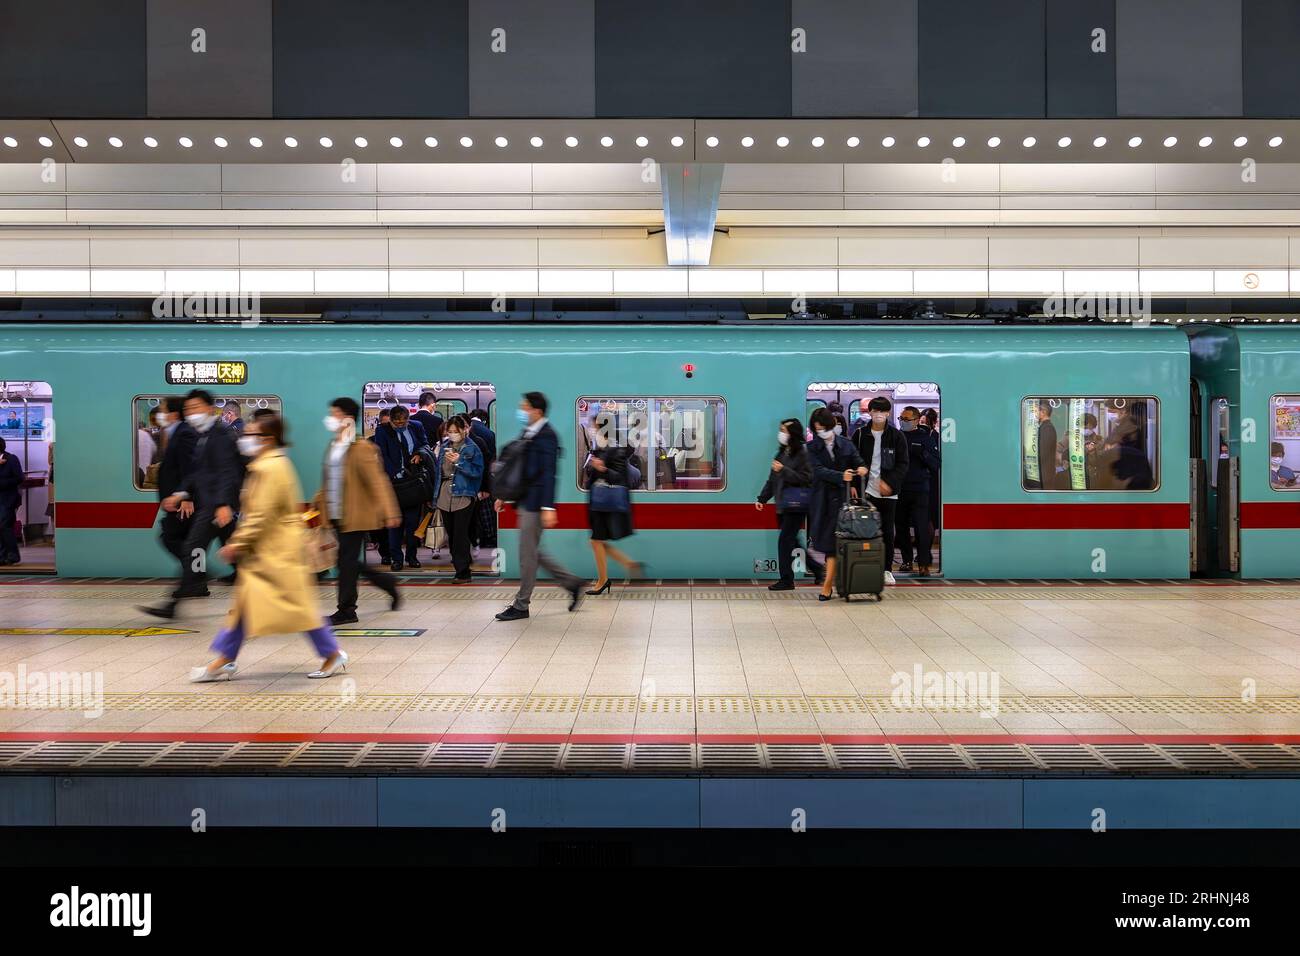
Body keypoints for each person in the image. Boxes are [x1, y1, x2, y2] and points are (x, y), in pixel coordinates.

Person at [190, 414, 347, 682]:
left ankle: (332, 654)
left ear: (268, 439)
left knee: (298, 609)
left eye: (251, 435)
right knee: (246, 608)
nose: (245, 439)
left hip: (275, 553)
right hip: (270, 551)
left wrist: (237, 543)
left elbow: (260, 516)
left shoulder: (269, 469)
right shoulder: (269, 464)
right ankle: (223, 661)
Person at [139, 390, 242, 618]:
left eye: (196, 407)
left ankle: (175, 601)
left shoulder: (221, 435)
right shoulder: (203, 435)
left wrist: (224, 504)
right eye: (188, 409)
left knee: (193, 548)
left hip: (216, 507)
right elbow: (197, 472)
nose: (191, 413)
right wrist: (180, 493)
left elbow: (229, 473)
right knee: (241, 559)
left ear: (209, 408)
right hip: (211, 505)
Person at [495, 392, 586, 621]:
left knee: (527, 556)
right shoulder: (529, 432)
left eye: (524, 407)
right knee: (533, 552)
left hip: (535, 504)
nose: (521, 411)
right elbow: (519, 469)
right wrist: (504, 496)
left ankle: (521, 605)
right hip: (524, 500)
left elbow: (548, 474)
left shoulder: (547, 436)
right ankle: (572, 583)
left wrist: (548, 507)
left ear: (537, 410)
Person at [314, 397, 402, 624]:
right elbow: (330, 481)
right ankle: (386, 583)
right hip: (335, 514)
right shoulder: (333, 446)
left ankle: (347, 610)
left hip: (355, 515)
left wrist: (390, 511)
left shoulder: (361, 448)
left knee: (346, 561)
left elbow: (377, 481)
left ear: (348, 419)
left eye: (335, 414)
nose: (330, 418)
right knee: (348, 560)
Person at [807, 407, 866, 600]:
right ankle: (830, 583)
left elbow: (858, 460)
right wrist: (842, 476)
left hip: (843, 502)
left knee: (837, 544)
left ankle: (831, 584)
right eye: (817, 429)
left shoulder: (846, 444)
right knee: (829, 544)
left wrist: (862, 468)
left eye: (823, 427)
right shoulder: (811, 448)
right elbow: (818, 471)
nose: (820, 431)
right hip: (822, 501)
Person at [851, 396, 909, 584]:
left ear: (888, 413)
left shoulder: (897, 436)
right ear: (869, 412)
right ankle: (863, 566)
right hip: (865, 491)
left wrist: (889, 484)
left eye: (883, 411)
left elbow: (903, 464)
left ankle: (886, 569)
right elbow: (852, 460)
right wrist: (853, 486)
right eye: (875, 411)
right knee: (864, 530)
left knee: (887, 531)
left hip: (889, 493)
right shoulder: (859, 434)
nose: (879, 415)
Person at [583, 413, 642, 594]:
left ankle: (603, 579)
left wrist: (603, 469)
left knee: (595, 541)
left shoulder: (615, 448)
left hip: (605, 501)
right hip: (599, 500)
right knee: (596, 541)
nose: (592, 430)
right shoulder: (601, 447)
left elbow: (619, 477)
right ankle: (627, 564)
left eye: (594, 426)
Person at [755, 417, 814, 591]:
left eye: (784, 430)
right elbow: (772, 479)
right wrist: (762, 498)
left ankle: (787, 580)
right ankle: (818, 570)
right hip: (782, 504)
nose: (781, 433)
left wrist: (784, 470)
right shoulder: (781, 453)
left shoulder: (803, 453)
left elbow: (806, 479)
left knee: (784, 541)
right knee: (792, 541)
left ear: (793, 433)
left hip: (796, 505)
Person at [373, 404, 431, 571]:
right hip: (394, 483)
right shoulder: (382, 431)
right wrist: (394, 473)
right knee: (395, 524)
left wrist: (419, 454)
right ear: (390, 420)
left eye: (403, 423)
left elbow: (425, 443)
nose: (400, 426)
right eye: (396, 423)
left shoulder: (417, 427)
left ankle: (412, 556)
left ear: (408, 419)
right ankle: (396, 559)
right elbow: (382, 455)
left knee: (413, 523)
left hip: (413, 481)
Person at [433, 414, 484, 584]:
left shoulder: (472, 448)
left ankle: (463, 572)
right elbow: (438, 473)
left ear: (464, 430)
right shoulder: (445, 446)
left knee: (460, 534)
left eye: (456, 431)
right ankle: (460, 564)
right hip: (444, 494)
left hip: (464, 494)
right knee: (452, 534)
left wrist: (459, 461)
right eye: (450, 431)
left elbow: (477, 472)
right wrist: (434, 495)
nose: (452, 434)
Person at [153, 396, 198, 581]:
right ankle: (195, 578)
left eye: (162, 410)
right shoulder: (174, 432)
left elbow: (190, 467)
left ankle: (196, 575)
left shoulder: (184, 433)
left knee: (170, 537)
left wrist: (187, 497)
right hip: (178, 499)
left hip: (182, 501)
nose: (159, 414)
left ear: (173, 414)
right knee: (188, 540)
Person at [895, 406, 939, 577]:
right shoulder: (896, 437)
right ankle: (906, 560)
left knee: (922, 527)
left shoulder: (926, 438)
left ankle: (923, 563)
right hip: (899, 488)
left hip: (920, 489)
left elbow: (936, 464)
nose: (903, 422)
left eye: (906, 419)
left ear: (915, 420)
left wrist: (923, 454)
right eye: (901, 418)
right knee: (901, 526)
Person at [468, 408, 498, 552]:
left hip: (467, 482)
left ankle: (475, 538)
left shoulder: (464, 436)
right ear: (484, 419)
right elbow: (491, 459)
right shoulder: (489, 433)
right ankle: (489, 537)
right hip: (485, 478)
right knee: (486, 511)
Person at [0, 437, 23, 565]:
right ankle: (2, 556)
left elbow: (19, 478)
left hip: (7, 499)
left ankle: (13, 555)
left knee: (5, 526)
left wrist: (2, 483)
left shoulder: (11, 459)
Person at [1031, 400, 1060, 490]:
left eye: (1036, 411)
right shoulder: (1044, 427)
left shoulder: (1047, 428)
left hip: (1045, 476)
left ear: (1043, 412)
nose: (1034, 414)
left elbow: (1042, 453)